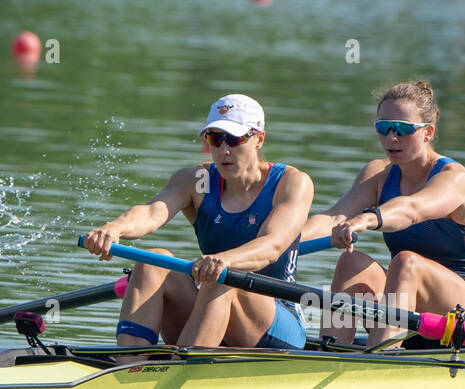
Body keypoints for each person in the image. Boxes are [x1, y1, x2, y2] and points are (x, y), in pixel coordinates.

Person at [83, 94, 313, 357]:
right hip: (212, 309)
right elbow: (152, 212)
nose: (224, 150)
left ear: (259, 139)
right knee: (152, 262)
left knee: (225, 278)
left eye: (235, 139)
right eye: (215, 138)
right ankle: (128, 364)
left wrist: (224, 260)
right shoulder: (196, 180)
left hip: (276, 325)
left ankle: (178, 372)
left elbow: (272, 246)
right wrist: (114, 228)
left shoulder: (292, 183)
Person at [299, 80, 465, 348]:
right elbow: (333, 219)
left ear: (428, 132)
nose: (391, 138)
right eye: (384, 128)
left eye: (403, 130)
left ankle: (382, 361)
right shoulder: (378, 174)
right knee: (351, 263)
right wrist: (267, 245)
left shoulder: (456, 180)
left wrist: (367, 218)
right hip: (409, 311)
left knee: (407, 263)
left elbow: (413, 210)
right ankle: (331, 351)